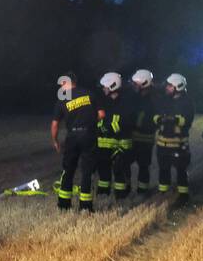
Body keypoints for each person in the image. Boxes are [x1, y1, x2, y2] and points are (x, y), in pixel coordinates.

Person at [50, 74, 98, 212]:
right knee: (87, 171)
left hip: (72, 137)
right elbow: (101, 114)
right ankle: (85, 207)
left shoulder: (62, 99)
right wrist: (90, 125)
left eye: (62, 84)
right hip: (88, 135)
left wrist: (55, 141)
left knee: (68, 170)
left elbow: (55, 124)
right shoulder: (90, 94)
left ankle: (64, 204)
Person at [154, 73, 194, 201]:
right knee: (163, 169)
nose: (167, 88)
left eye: (170, 86)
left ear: (178, 86)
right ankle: (163, 192)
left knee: (181, 169)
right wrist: (159, 119)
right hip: (162, 143)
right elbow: (155, 116)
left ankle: (183, 195)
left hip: (179, 144)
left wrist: (172, 119)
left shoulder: (187, 103)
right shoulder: (164, 100)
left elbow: (187, 120)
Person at [95, 72, 133, 201]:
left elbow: (125, 122)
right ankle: (103, 193)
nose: (103, 89)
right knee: (103, 171)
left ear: (112, 85)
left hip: (120, 145)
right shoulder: (103, 101)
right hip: (104, 144)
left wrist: (109, 127)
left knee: (119, 171)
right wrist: (100, 127)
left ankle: (121, 196)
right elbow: (100, 119)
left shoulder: (125, 102)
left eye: (104, 87)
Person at [127, 69, 157, 195]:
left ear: (144, 83)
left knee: (143, 166)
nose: (133, 86)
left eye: (136, 84)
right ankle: (126, 188)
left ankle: (142, 190)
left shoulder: (153, 100)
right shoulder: (135, 97)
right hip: (133, 137)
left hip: (145, 139)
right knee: (126, 163)